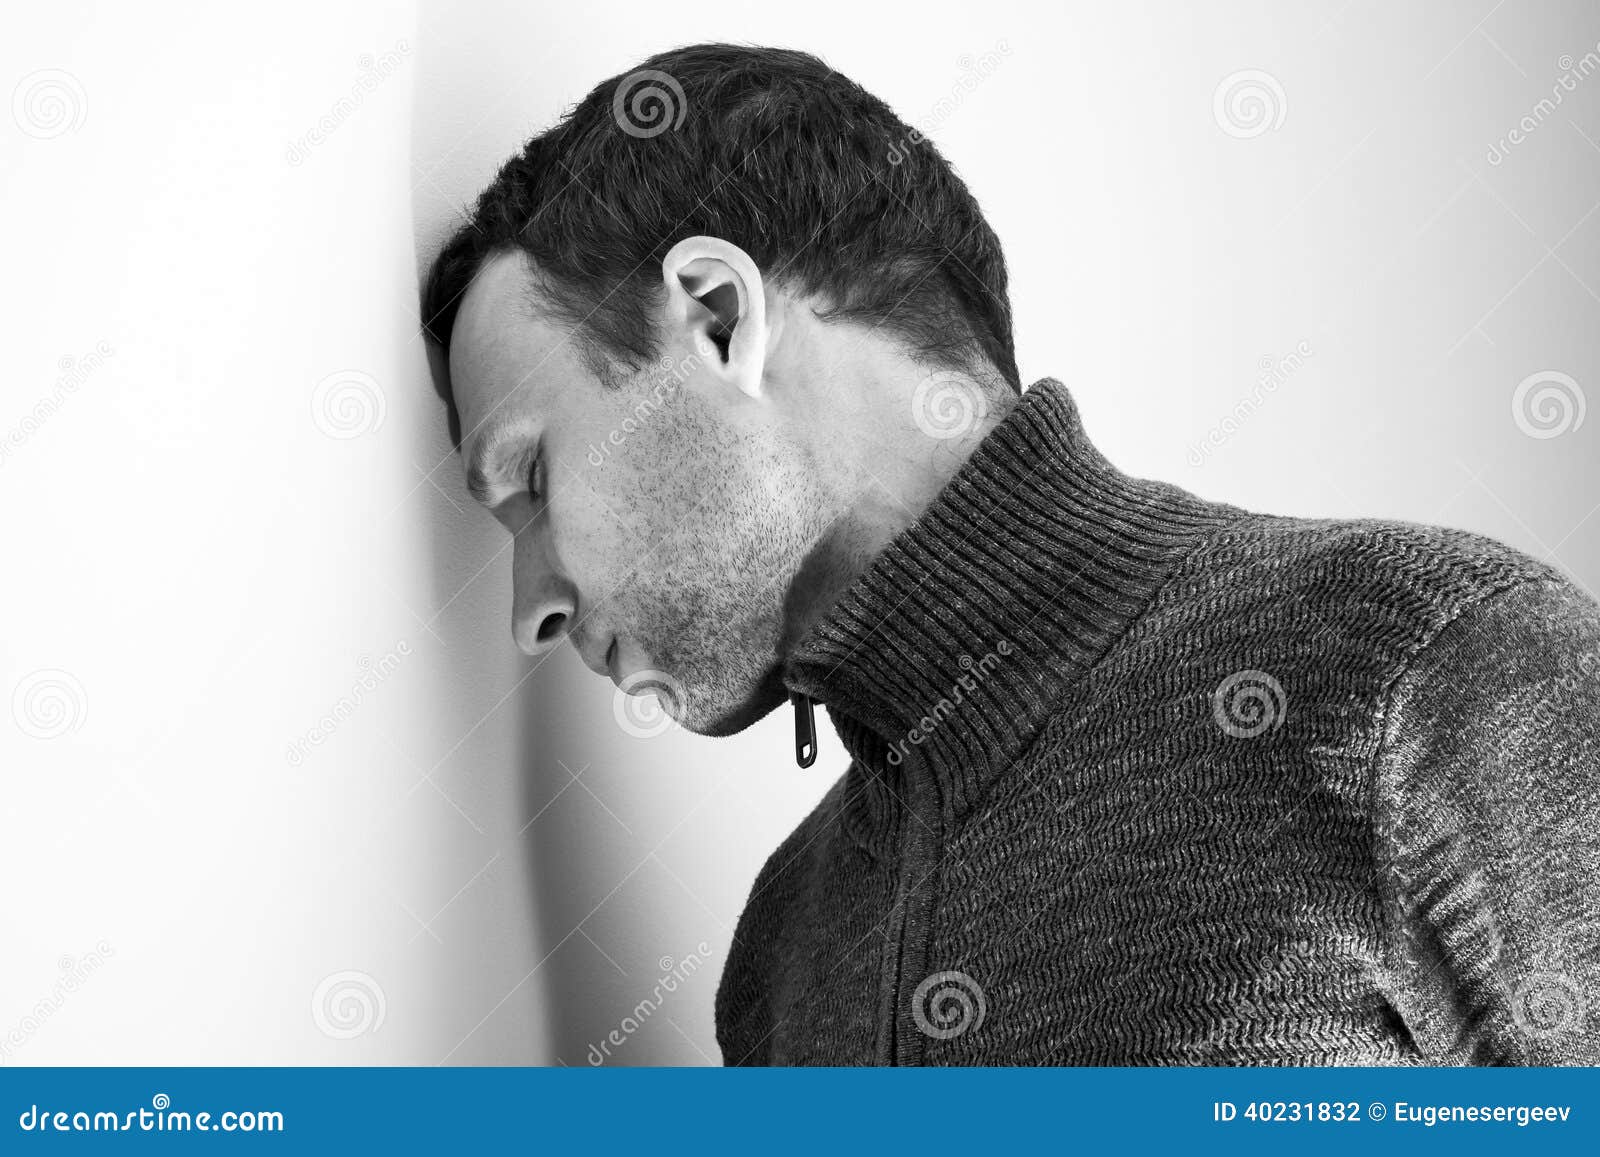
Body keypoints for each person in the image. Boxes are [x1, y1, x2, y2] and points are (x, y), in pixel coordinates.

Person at [421, 44, 1600, 1065]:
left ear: (719, 319)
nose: (528, 607)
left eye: (528, 481)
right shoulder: (779, 951)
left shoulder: (1423, 670)